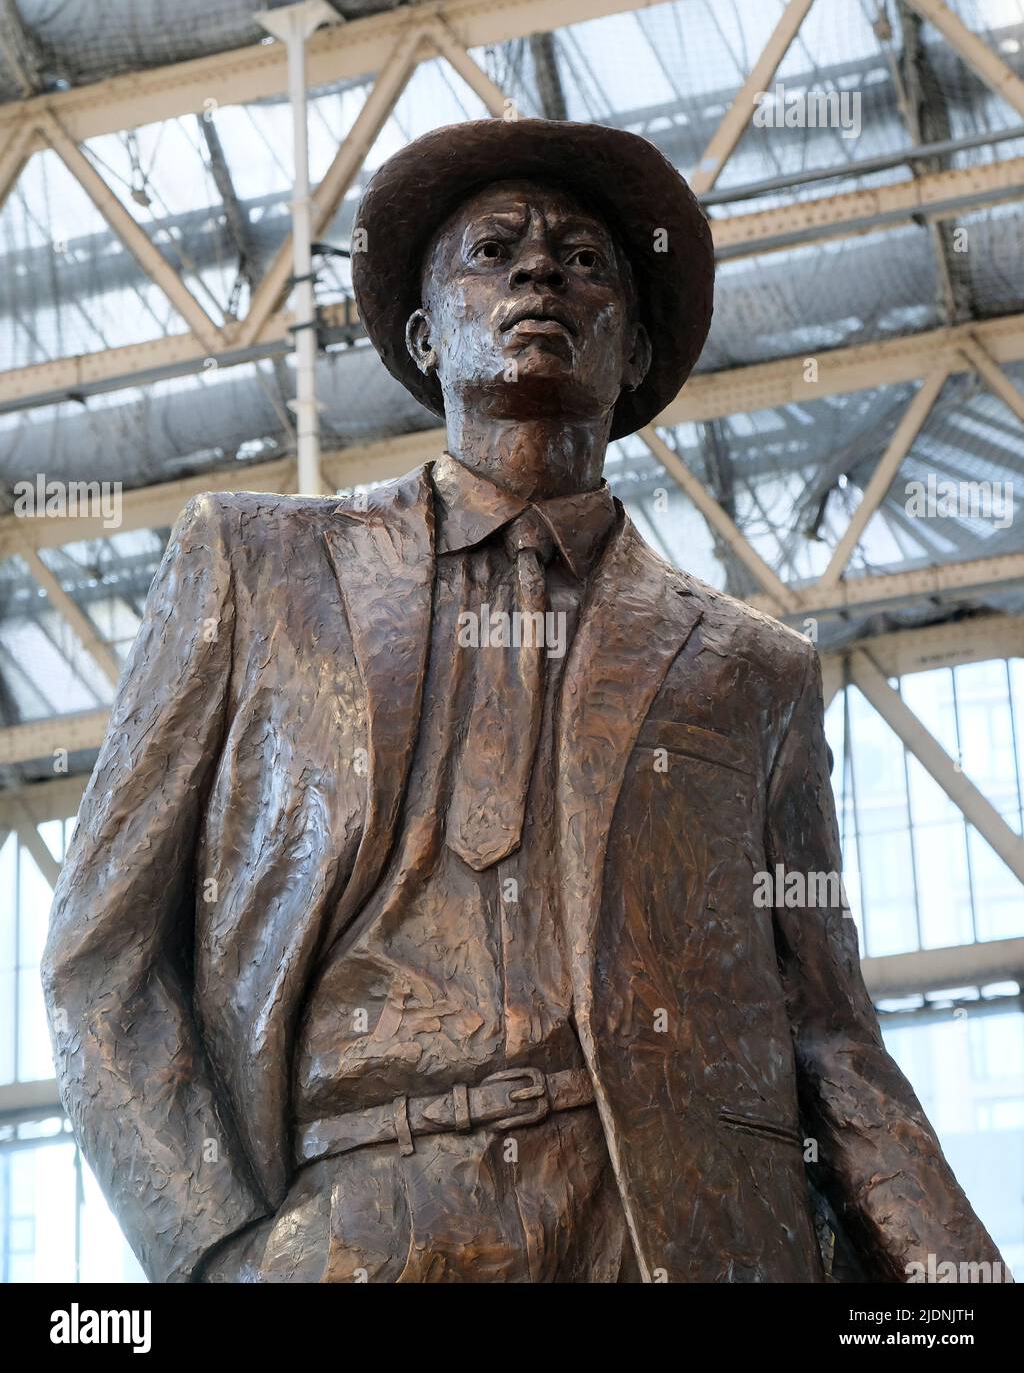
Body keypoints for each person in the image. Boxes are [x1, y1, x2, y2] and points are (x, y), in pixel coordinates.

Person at [43, 119, 1003, 1283]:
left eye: (585, 259)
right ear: (421, 334)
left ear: (636, 349)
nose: (538, 271)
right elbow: (104, 955)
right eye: (491, 251)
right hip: (351, 1223)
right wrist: (214, 1251)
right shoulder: (255, 568)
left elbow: (829, 1034)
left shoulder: (751, 670)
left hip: (665, 1234)